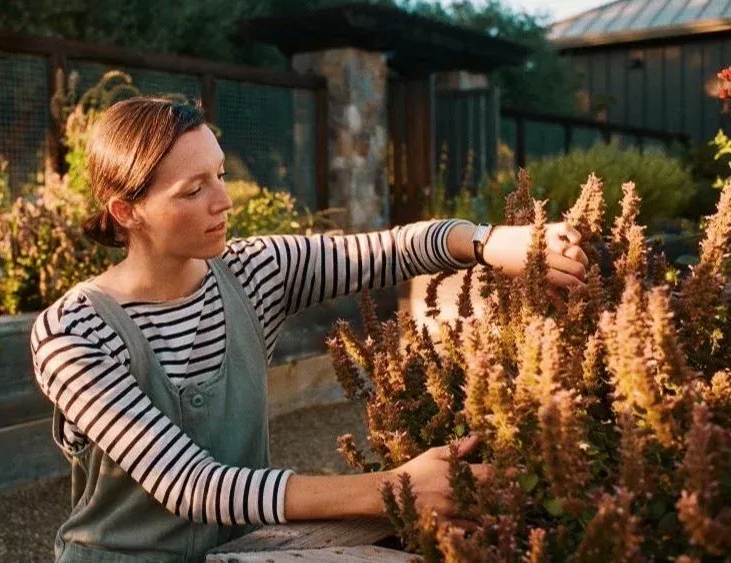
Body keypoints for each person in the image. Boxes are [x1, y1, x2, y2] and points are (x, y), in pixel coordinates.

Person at [31, 97, 589, 563]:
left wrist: (491, 241)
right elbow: (193, 486)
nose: (224, 201)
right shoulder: (73, 334)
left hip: (246, 552)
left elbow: (391, 249)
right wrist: (395, 490)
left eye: (220, 174)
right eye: (192, 189)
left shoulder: (254, 272)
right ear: (126, 211)